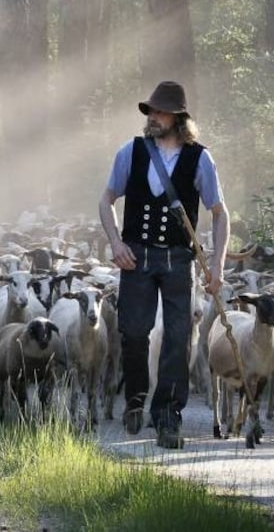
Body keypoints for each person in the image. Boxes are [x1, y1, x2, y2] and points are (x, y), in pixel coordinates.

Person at [97, 81, 228, 449]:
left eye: (159, 112)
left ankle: (168, 416)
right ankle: (136, 398)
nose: (152, 117)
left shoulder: (199, 158)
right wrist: (116, 242)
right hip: (135, 256)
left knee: (177, 338)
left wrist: (216, 265)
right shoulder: (132, 151)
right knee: (135, 333)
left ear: (178, 117)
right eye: (150, 112)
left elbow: (220, 213)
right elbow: (106, 200)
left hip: (178, 260)